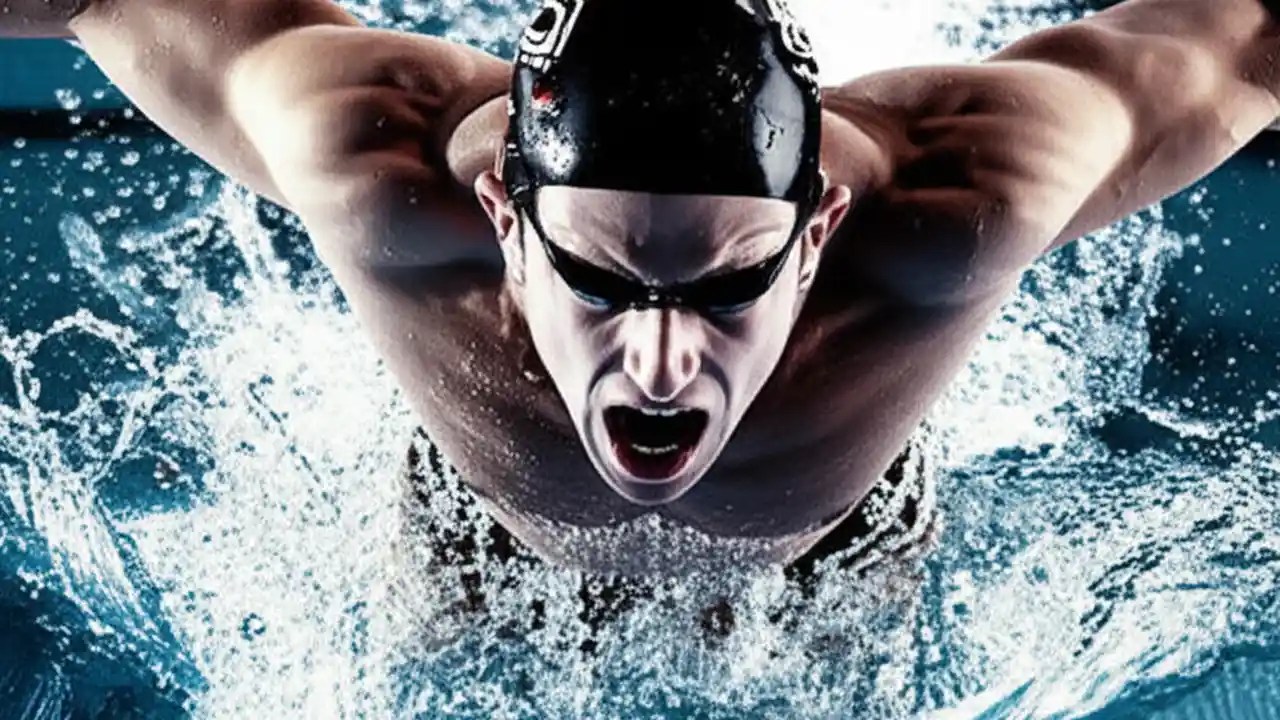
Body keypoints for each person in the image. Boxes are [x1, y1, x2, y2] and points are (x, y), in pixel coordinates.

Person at [3, 0, 1278, 591]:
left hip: (832, 572)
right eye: (598, 281)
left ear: (817, 229)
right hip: (474, 556)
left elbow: (1235, 42)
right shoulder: (370, 175)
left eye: (730, 287)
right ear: (504, 221)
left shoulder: (964, 210)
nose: (661, 366)